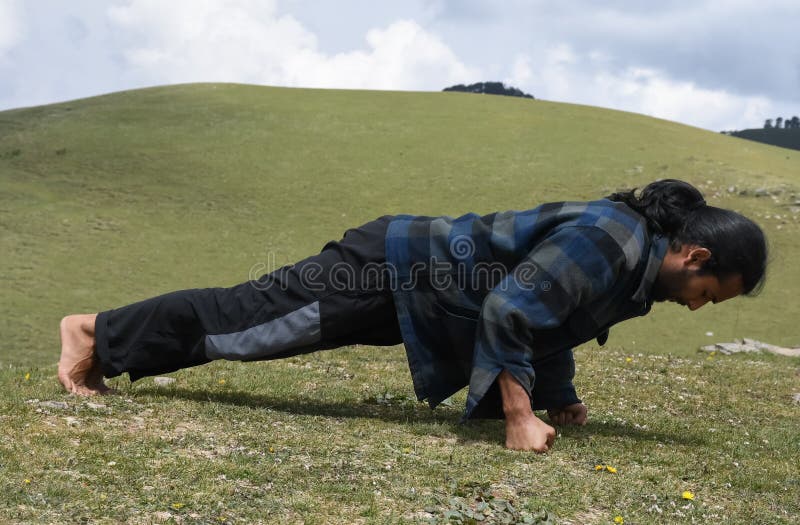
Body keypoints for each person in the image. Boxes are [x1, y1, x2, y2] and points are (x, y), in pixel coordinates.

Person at [57, 179, 768, 453]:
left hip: (424, 292)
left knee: (250, 326)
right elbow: (512, 307)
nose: (701, 305)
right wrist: (519, 418)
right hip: (391, 265)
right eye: (712, 292)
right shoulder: (611, 240)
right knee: (248, 326)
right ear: (695, 254)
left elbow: (558, 319)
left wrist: (561, 398)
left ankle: (106, 337)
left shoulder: (637, 266)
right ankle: (95, 332)